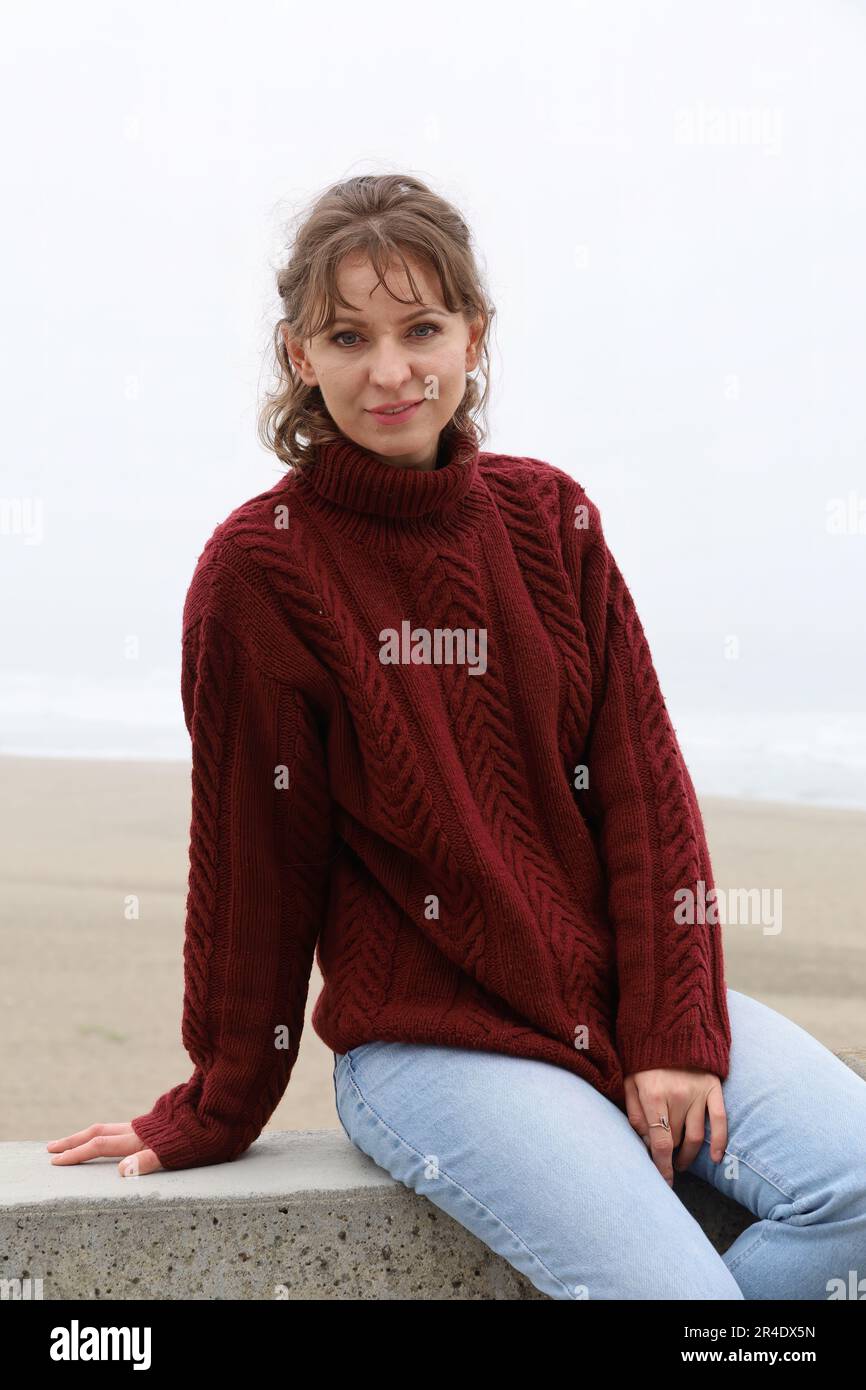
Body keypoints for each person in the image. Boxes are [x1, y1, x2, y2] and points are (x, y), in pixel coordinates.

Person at [47, 174, 866, 1300]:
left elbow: (644, 793)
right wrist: (218, 1101)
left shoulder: (551, 519)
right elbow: (255, 872)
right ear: (299, 355)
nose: (390, 371)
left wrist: (676, 1027)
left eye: (421, 327)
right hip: (434, 1045)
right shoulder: (260, 574)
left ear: (473, 335)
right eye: (349, 336)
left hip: (610, 985)